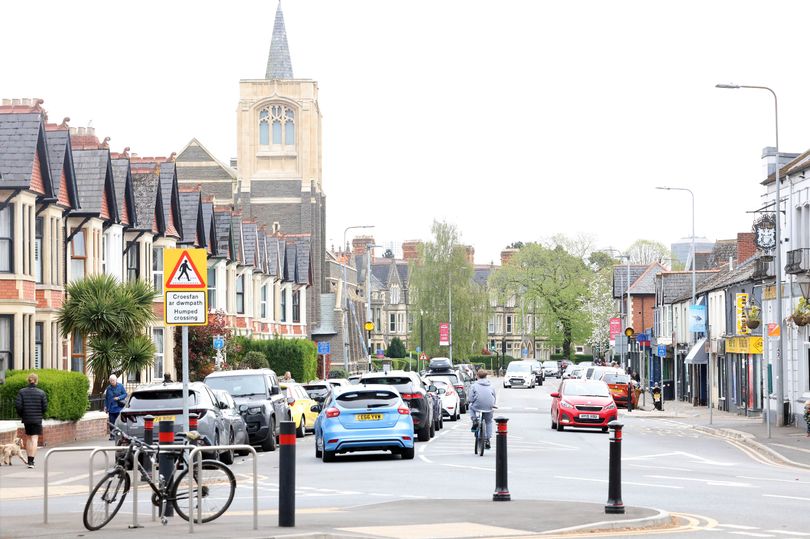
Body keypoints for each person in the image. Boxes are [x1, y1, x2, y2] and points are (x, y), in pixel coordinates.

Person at [15, 373, 48, 468]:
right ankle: (31, 462)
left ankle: (29, 460)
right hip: (37, 419)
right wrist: (40, 413)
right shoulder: (41, 393)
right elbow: (45, 407)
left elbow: (18, 406)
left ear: (28, 380)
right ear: (36, 381)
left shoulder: (22, 392)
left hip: (27, 419)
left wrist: (22, 415)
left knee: (28, 438)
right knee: (34, 439)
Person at [467, 369, 497, 449]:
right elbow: (494, 396)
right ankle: (487, 439)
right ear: (486, 376)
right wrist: (492, 404)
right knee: (488, 421)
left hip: (477, 406)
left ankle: (474, 420)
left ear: (477, 376)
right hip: (489, 406)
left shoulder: (474, 386)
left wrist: (471, 401)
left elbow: (470, 398)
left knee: (470, 406)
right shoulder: (491, 385)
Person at [103, 375, 127, 440]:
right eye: (111, 381)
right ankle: (112, 435)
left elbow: (125, 394)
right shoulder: (108, 388)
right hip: (111, 408)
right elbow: (106, 398)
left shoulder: (120, 386)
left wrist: (119, 397)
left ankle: (119, 435)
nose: (112, 382)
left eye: (113, 380)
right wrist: (105, 406)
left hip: (119, 408)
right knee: (111, 423)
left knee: (119, 423)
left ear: (116, 380)